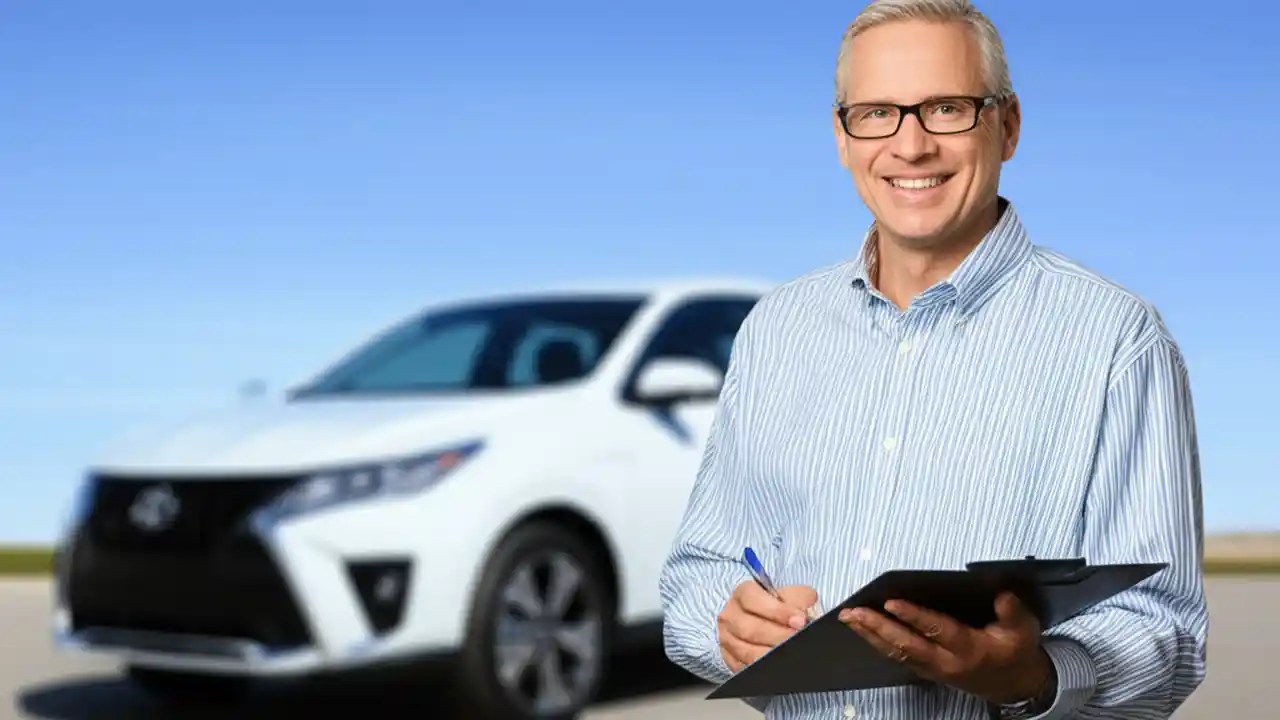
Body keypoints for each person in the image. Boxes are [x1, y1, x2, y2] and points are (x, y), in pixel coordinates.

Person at [657, 1, 1208, 718]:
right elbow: (699, 572)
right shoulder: (776, 330)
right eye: (877, 113)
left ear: (1006, 126)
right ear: (841, 135)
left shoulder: (1116, 341)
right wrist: (725, 628)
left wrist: (1033, 676)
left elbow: (1167, 632)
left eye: (946, 108)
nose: (910, 146)